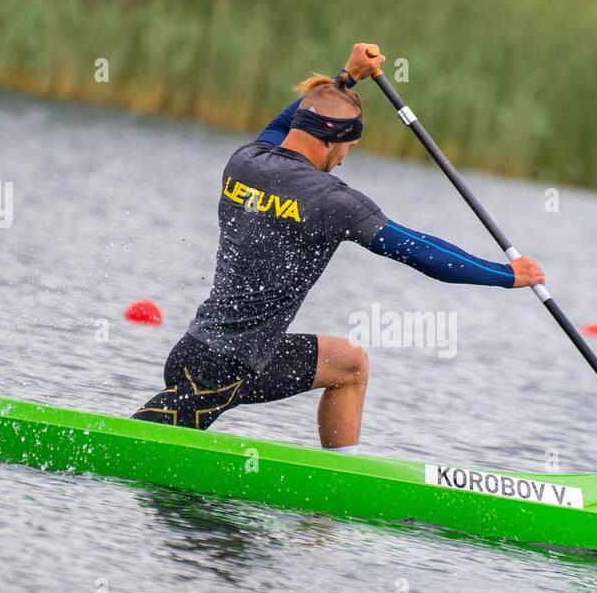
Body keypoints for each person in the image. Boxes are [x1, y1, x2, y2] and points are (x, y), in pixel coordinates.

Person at [134, 43, 545, 452]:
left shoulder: (246, 160)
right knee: (138, 449)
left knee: (349, 364)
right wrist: (506, 275)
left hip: (201, 350)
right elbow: (418, 249)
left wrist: (346, 76)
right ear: (332, 141)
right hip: (223, 371)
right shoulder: (333, 200)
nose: (346, 159)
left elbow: (291, 118)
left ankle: (337, 482)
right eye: (348, 148)